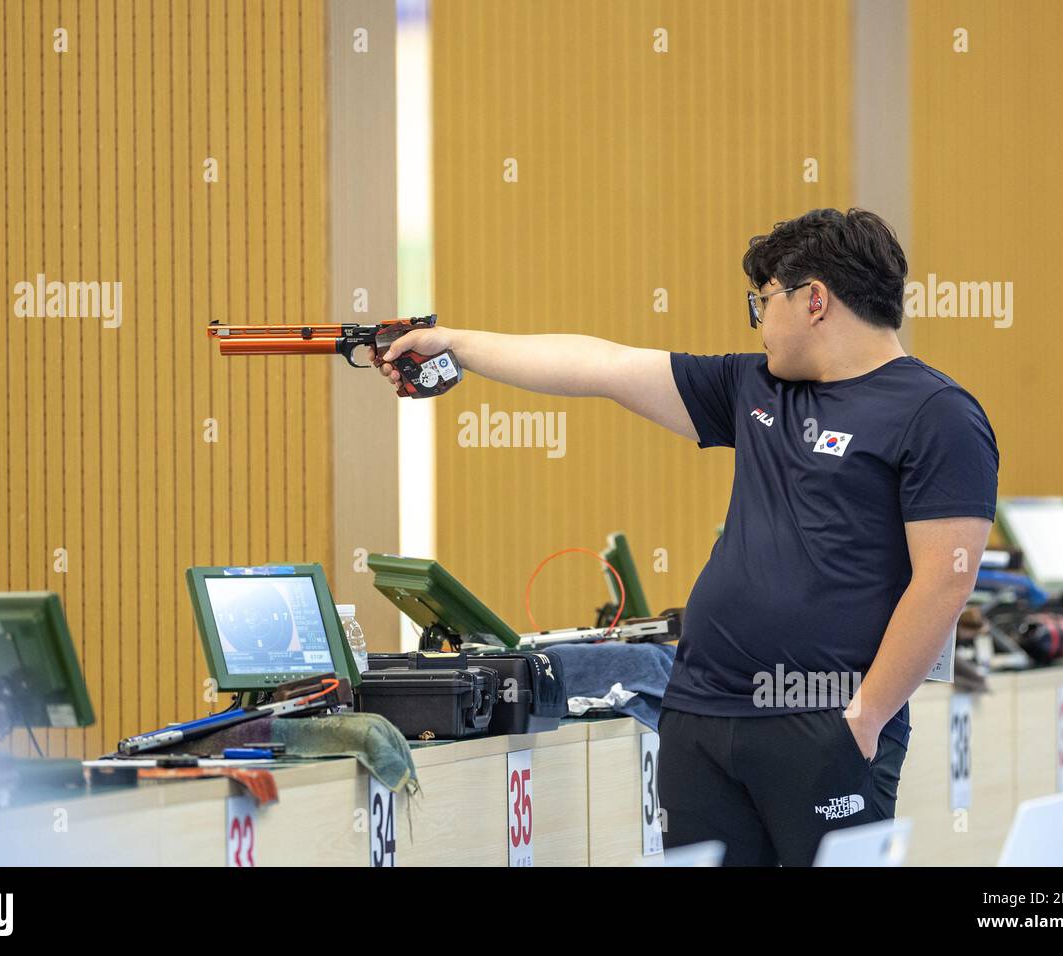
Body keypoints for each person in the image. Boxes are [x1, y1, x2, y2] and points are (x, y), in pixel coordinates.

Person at [371, 208, 999, 865]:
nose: (757, 325)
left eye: (763, 302)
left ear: (815, 300)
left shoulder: (937, 414)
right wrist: (458, 345)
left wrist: (864, 718)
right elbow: (601, 366)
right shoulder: (753, 387)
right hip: (700, 716)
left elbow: (945, 580)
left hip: (824, 722)